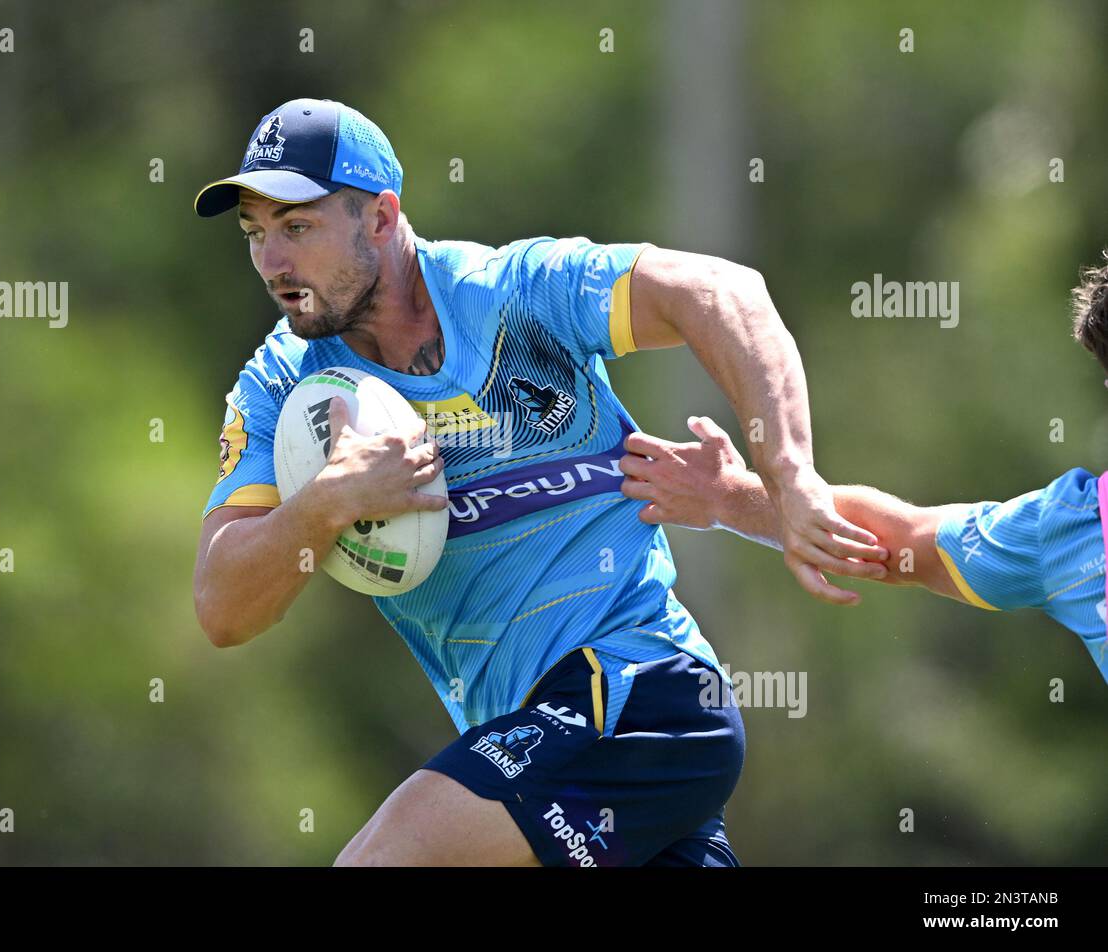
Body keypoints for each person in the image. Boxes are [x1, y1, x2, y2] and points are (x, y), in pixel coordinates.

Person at [191, 97, 886, 866]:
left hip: (642, 695)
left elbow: (723, 291)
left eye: (297, 228)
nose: (272, 264)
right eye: (256, 235)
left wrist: (789, 476)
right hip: (553, 751)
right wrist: (328, 504)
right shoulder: (278, 387)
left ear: (382, 219)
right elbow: (223, 607)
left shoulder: (514, 295)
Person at [617, 250, 1108, 684]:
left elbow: (903, 544)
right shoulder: (1070, 528)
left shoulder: (1071, 531)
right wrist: (728, 495)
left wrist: (727, 495)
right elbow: (902, 543)